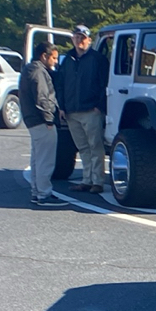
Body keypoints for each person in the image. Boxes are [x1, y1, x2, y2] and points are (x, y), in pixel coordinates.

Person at [54, 24, 110, 193]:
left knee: (96, 147)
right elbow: (61, 84)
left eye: (82, 38)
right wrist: (62, 107)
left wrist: (99, 106)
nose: (79, 41)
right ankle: (86, 180)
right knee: (83, 148)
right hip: (71, 111)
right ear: (72, 39)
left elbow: (105, 85)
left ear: (89, 40)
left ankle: (98, 182)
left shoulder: (98, 59)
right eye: (76, 37)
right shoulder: (67, 60)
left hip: (91, 110)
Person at [19, 41, 61, 206]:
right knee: (45, 159)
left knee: (37, 158)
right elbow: (42, 97)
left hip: (32, 119)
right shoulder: (38, 72)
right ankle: (44, 194)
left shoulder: (29, 69)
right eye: (54, 58)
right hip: (41, 120)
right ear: (44, 56)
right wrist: (49, 118)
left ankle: (37, 192)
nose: (56, 62)